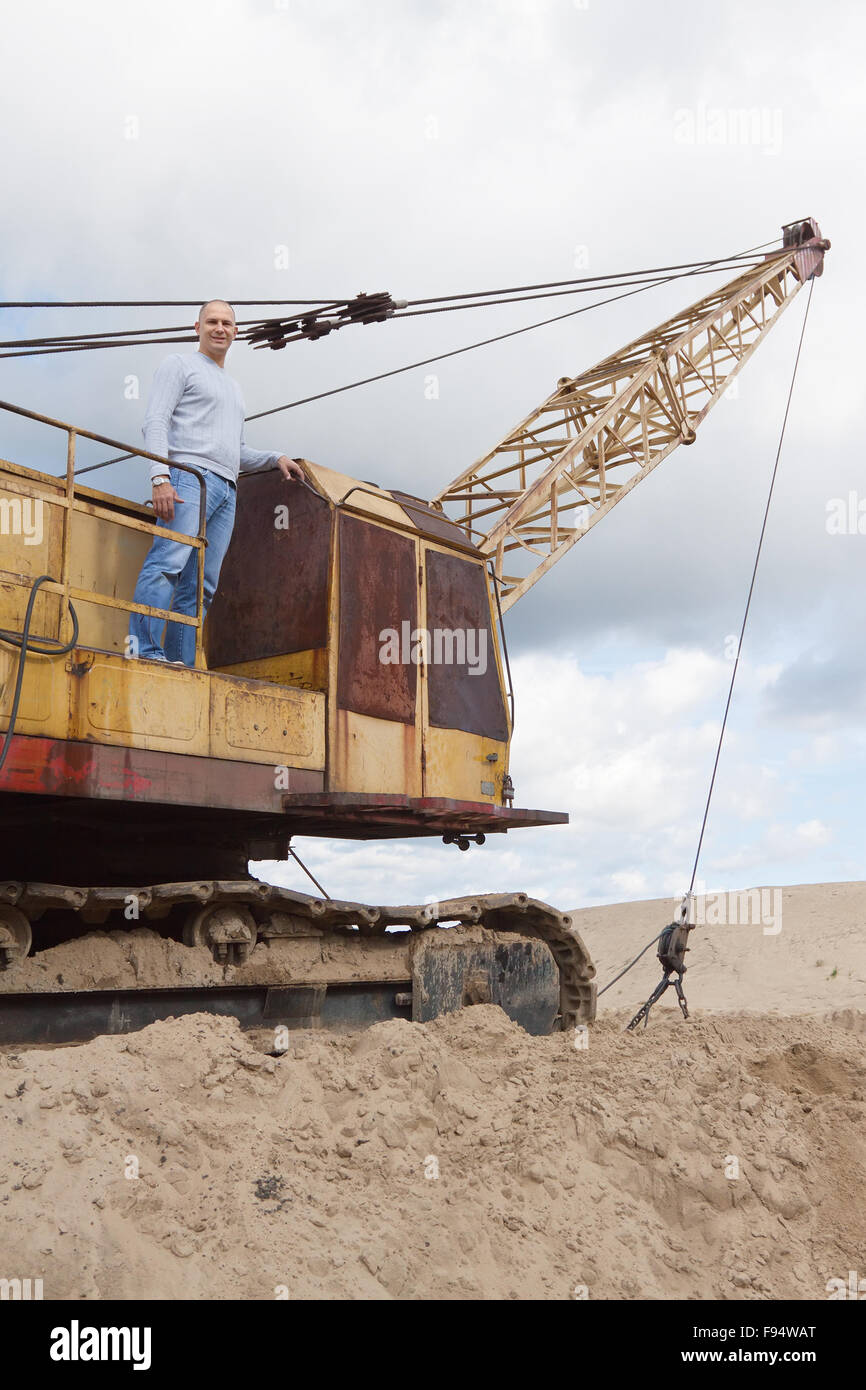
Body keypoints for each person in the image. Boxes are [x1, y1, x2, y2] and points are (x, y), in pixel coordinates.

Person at [128, 299, 303, 666]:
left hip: (227, 488)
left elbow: (235, 450)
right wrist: (160, 478)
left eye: (226, 323)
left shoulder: (234, 389)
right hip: (189, 477)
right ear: (197, 327)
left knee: (202, 584)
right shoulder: (179, 365)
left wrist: (275, 458)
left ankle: (181, 660)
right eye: (212, 322)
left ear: (236, 332)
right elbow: (155, 421)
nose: (219, 328)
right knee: (167, 563)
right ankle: (145, 651)